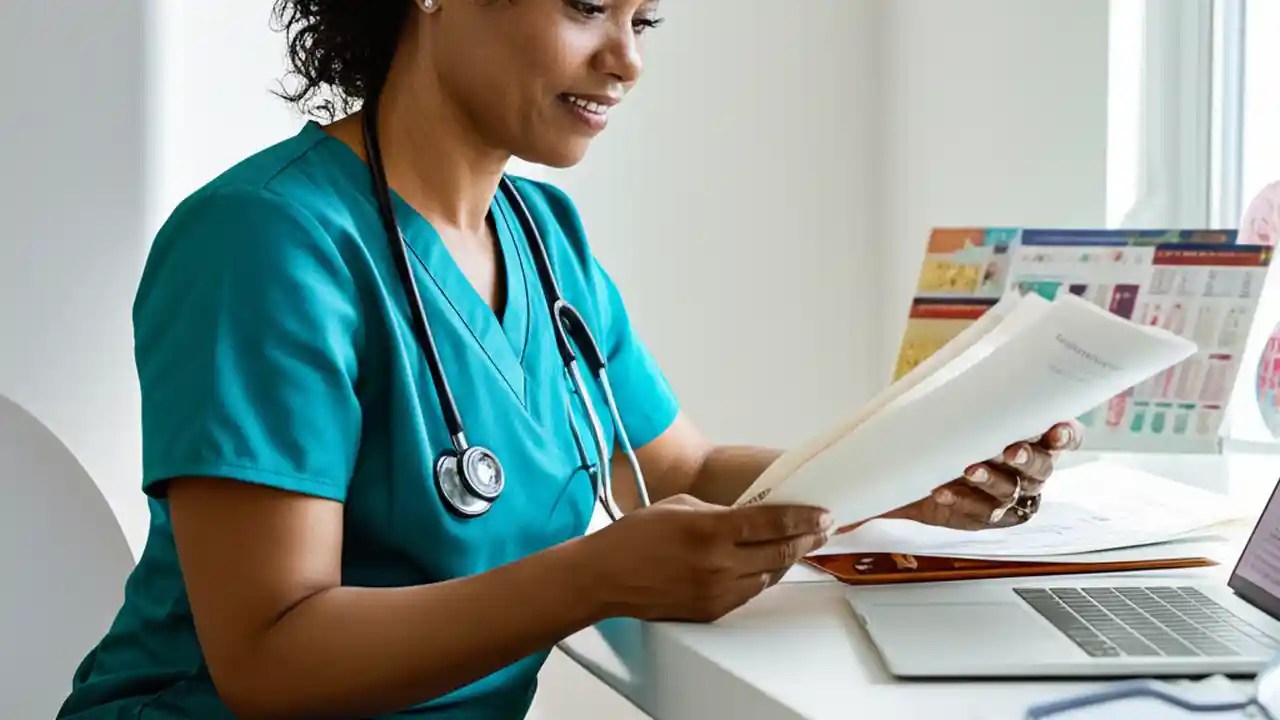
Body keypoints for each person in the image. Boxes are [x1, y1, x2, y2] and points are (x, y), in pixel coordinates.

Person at [58, 1, 1082, 718]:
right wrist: (587, 579)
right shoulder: (263, 243)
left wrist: (910, 481)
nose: (627, 60)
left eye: (643, 21)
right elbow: (268, 659)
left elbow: (672, 472)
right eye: (587, 6)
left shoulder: (542, 233)